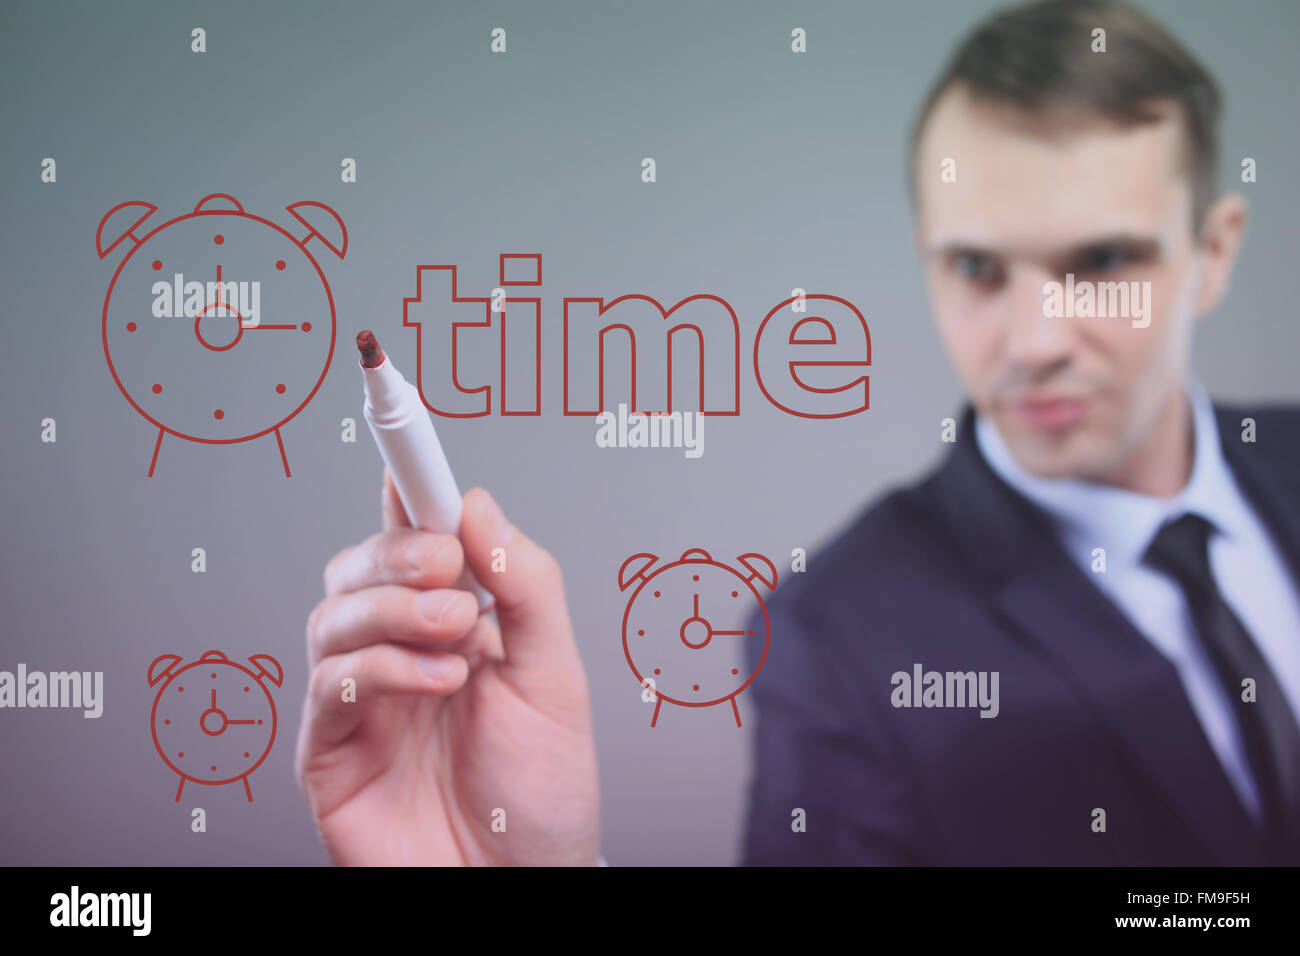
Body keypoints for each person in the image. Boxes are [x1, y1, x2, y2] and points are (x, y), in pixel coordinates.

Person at [295, 0, 1300, 865]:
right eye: (977, 269)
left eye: (1100, 261)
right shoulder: (842, 641)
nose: (1034, 340)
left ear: (1212, 253)